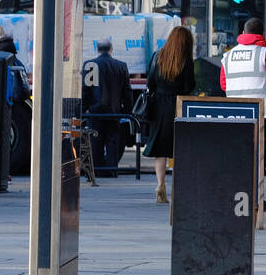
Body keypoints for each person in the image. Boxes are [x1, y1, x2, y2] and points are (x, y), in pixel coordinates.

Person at [220, 18, 266, 213]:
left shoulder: (228, 55)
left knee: (239, 158)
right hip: (262, 115)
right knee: (259, 159)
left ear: (243, 31)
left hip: (235, 115)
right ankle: (256, 200)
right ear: (262, 34)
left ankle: (237, 198)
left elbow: (224, 85)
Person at [144, 26, 195, 203]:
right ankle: (178, 188)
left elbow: (150, 80)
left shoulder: (158, 56)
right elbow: (189, 86)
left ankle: (160, 185)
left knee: (160, 151)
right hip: (177, 106)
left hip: (158, 107)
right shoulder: (186, 61)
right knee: (179, 147)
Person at [82, 38, 132, 177]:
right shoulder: (121, 66)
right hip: (114, 112)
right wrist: (127, 112)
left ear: (97, 50)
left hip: (95, 112)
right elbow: (127, 92)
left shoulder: (90, 65)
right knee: (113, 142)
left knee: (95, 142)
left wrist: (82, 110)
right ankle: (111, 170)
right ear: (111, 50)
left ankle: (96, 171)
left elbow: (86, 90)